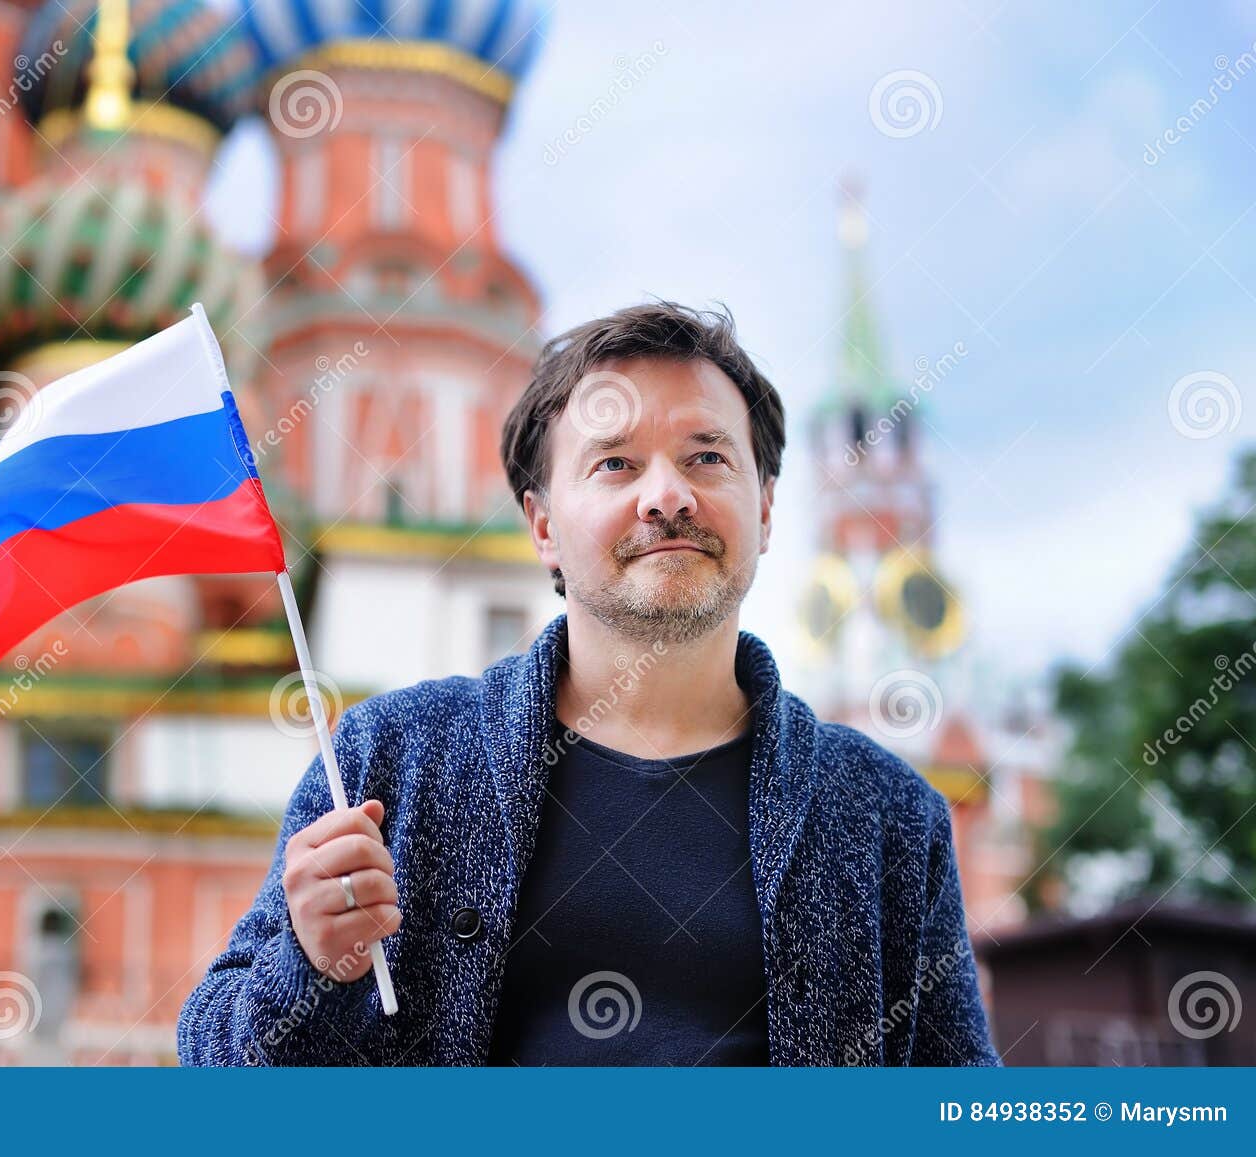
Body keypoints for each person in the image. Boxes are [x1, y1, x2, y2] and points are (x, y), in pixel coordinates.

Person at [178, 300, 1001, 1066]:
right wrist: (311, 963)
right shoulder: (390, 761)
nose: (666, 495)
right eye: (615, 464)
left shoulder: (886, 814)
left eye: (706, 456)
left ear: (765, 508)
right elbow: (210, 1063)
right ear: (543, 527)